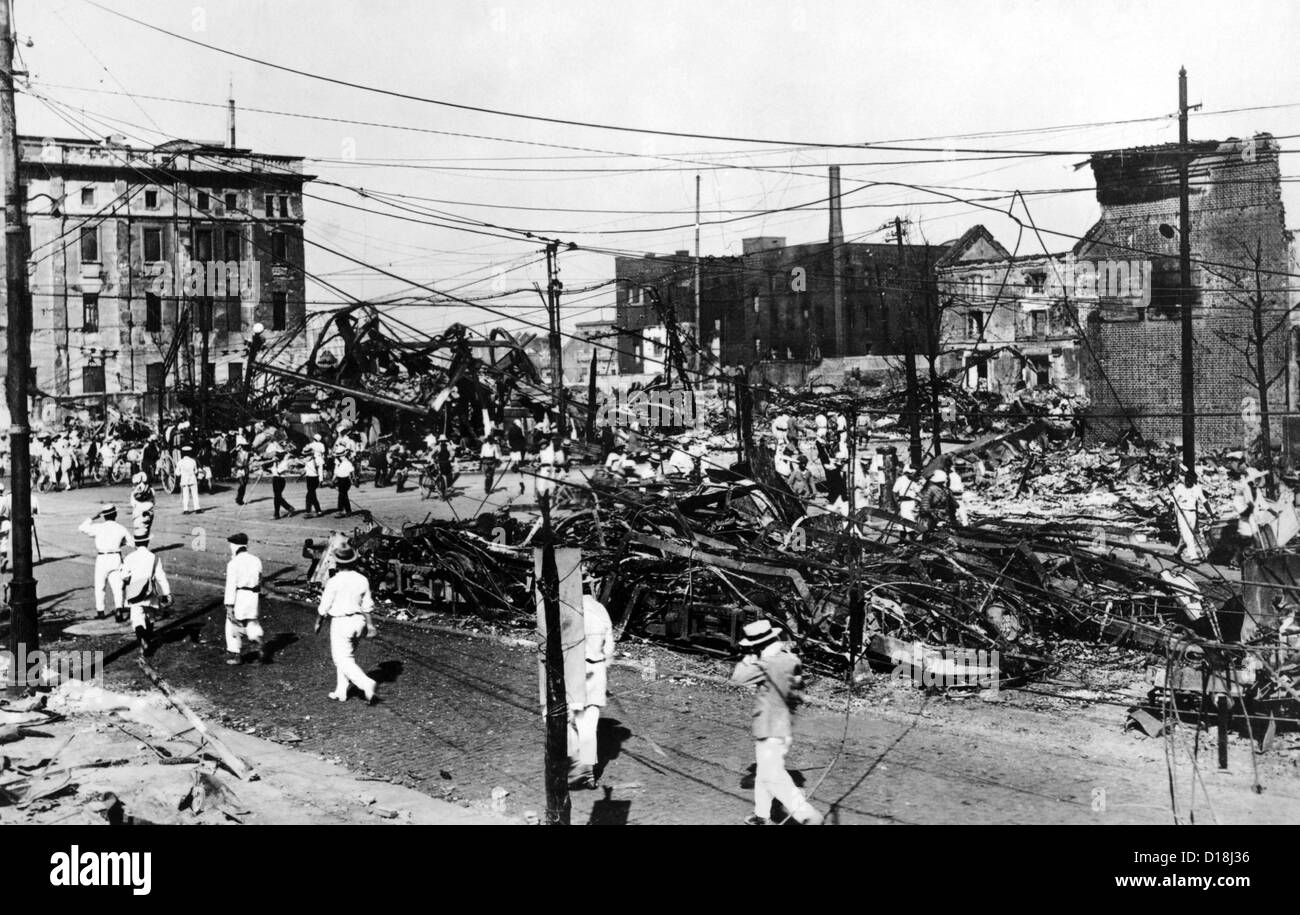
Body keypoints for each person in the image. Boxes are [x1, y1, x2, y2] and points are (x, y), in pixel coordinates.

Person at [729, 620, 823, 826]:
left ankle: (807, 815)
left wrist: (748, 657)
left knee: (773, 777)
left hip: (769, 728)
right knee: (764, 773)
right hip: (784, 725)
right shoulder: (791, 660)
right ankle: (762, 816)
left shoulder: (765, 664)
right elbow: (798, 693)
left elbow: (738, 678)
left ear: (758, 645)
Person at [314, 546, 378, 703]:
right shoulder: (362, 579)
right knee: (346, 656)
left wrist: (318, 622)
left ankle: (366, 683)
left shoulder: (334, 581)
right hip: (359, 621)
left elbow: (324, 605)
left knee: (342, 659)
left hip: (342, 622)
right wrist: (370, 625)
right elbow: (367, 605)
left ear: (337, 563)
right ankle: (341, 691)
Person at [569, 573, 615, 789]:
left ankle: (578, 766)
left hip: (576, 671)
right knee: (589, 726)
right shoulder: (601, 610)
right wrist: (601, 666)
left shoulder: (570, 610)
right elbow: (610, 649)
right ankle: (589, 774)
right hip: (597, 672)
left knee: (572, 721)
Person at [120, 533, 172, 656]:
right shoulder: (154, 557)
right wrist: (167, 593)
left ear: (136, 544)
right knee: (150, 616)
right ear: (147, 543)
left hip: (134, 591)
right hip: (149, 592)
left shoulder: (129, 557)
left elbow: (123, 576)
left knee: (137, 619)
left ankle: (143, 640)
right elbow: (161, 577)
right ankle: (148, 638)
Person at [79, 504, 129, 621]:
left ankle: (100, 611)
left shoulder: (99, 527)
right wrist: (121, 543)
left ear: (104, 516)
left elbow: (81, 528)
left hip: (102, 557)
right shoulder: (121, 528)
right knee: (117, 586)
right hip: (115, 556)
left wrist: (92, 518)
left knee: (100, 585)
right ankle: (118, 610)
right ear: (115, 514)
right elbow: (131, 542)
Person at [223, 532, 266, 665]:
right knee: (252, 621)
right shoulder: (256, 560)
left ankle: (236, 655)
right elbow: (260, 579)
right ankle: (256, 638)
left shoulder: (233, 563)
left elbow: (230, 585)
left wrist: (229, 605)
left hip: (240, 595)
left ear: (234, 546)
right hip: (253, 596)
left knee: (232, 624)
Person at [1172, 470, 1210, 563]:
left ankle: (1177, 553)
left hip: (1192, 514)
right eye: (1186, 479)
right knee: (1188, 535)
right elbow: (1172, 501)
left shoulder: (1197, 488)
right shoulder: (1179, 487)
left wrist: (1211, 513)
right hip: (1182, 513)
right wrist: (1171, 514)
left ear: (1193, 480)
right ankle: (1193, 557)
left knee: (1185, 537)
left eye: (1190, 479)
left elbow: (1204, 501)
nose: (1187, 481)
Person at [917, 470, 958, 535]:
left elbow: (952, 503)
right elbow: (925, 504)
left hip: (941, 513)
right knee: (930, 530)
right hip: (933, 514)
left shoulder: (944, 490)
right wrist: (933, 511)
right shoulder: (933, 489)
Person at [536, 435, 567, 502]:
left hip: (550, 468)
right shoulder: (542, 451)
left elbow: (551, 460)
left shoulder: (550, 451)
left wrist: (548, 466)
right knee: (542, 482)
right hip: (544, 469)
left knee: (550, 483)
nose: (542, 446)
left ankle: (549, 496)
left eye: (543, 445)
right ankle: (542, 496)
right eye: (541, 445)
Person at [130, 473, 156, 548]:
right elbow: (154, 502)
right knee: (147, 531)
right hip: (149, 513)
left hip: (138, 513)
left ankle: (139, 549)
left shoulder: (134, 492)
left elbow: (132, 504)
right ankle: (145, 548)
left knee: (139, 533)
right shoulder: (151, 490)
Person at [271, 448, 296, 519]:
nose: (275, 457)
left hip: (280, 480)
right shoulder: (276, 462)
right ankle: (279, 513)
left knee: (277, 497)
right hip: (275, 479)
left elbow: (278, 472)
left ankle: (280, 512)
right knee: (277, 497)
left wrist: (275, 463)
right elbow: (273, 471)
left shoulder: (284, 463)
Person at [301, 442, 323, 518]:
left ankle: (310, 511)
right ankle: (317, 511)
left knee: (310, 495)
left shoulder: (317, 459)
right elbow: (306, 468)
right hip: (308, 478)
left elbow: (320, 470)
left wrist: (321, 480)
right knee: (311, 495)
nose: (306, 456)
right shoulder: (306, 460)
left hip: (314, 478)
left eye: (307, 455)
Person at [177, 446, 200, 514]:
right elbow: (196, 471)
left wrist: (182, 473)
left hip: (184, 480)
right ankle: (197, 508)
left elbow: (177, 473)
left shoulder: (180, 462)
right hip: (192, 479)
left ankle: (186, 509)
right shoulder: (193, 461)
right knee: (195, 494)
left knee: (185, 495)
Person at [334, 450, 355, 517]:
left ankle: (341, 510)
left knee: (342, 495)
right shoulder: (338, 463)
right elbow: (336, 473)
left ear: (344, 456)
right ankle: (348, 511)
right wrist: (333, 480)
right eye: (338, 456)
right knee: (343, 495)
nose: (339, 458)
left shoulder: (347, 463)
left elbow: (352, 471)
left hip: (346, 480)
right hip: (340, 480)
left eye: (340, 456)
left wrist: (353, 478)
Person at [233, 442, 252, 506]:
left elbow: (247, 461)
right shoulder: (238, 452)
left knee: (244, 485)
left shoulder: (248, 453)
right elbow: (231, 453)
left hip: (245, 469)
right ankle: (239, 498)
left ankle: (240, 499)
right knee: (242, 484)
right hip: (239, 469)